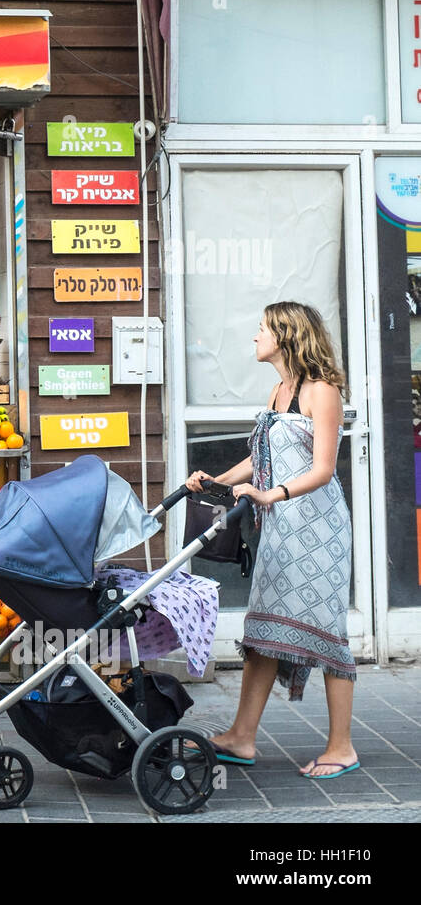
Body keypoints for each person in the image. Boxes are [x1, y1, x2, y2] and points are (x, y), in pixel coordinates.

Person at [186, 301, 356, 779]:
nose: (254, 336)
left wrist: (270, 493)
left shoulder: (321, 391)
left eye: (261, 328)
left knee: (327, 635)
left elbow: (323, 470)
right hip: (282, 527)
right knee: (262, 633)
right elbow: (259, 457)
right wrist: (214, 480)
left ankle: (341, 747)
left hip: (318, 529)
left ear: (285, 335)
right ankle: (242, 737)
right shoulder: (278, 390)